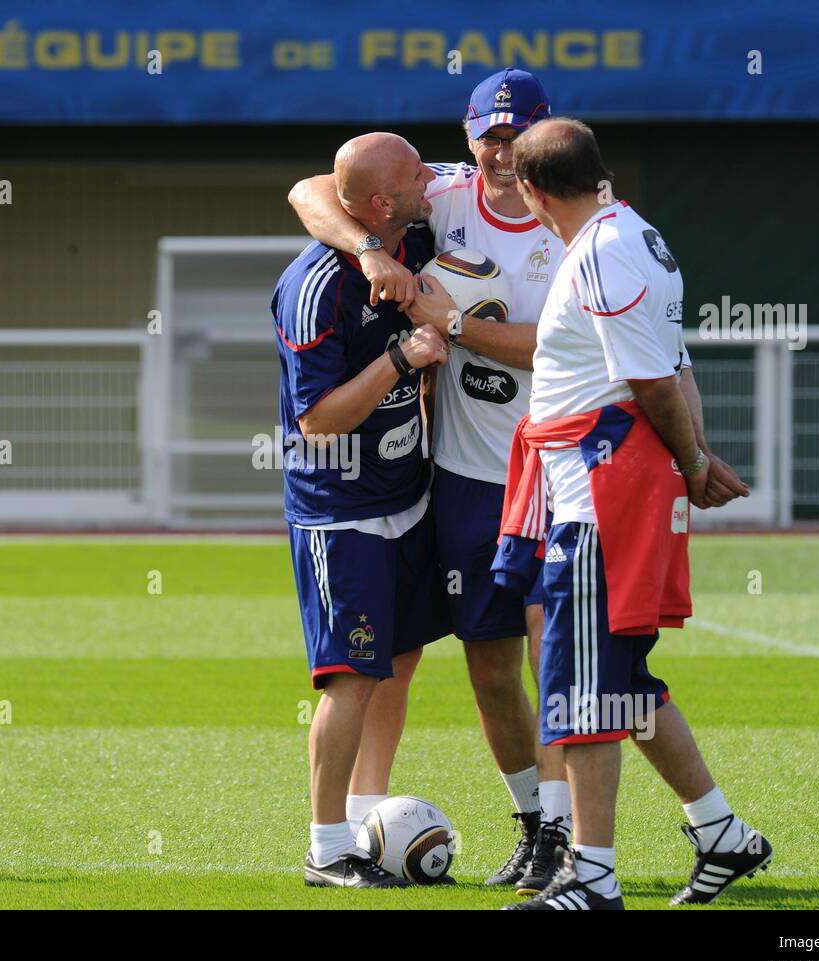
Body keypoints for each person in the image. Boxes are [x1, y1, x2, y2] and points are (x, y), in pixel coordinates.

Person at [288, 69, 570, 891]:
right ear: (470, 133)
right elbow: (314, 189)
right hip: (461, 479)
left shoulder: (589, 223)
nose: (503, 150)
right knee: (487, 668)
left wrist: (450, 327)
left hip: (555, 467)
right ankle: (531, 823)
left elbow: (558, 351)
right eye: (491, 133)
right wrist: (370, 247)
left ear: (548, 134)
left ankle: (570, 833)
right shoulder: (440, 194)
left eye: (519, 134)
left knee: (558, 662)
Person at [495, 117, 772, 910]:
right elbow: (673, 364)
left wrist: (691, 465)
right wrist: (696, 457)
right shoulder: (633, 235)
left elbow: (652, 382)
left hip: (600, 495)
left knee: (585, 695)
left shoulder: (605, 251)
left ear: (534, 190)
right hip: (594, 487)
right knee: (620, 683)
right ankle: (721, 834)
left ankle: (593, 884)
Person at [272, 132, 453, 887]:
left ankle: (367, 816)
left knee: (397, 662)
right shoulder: (316, 287)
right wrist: (403, 359)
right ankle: (326, 848)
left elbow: (314, 186)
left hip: (408, 495)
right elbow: (317, 423)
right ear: (382, 202)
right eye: (417, 176)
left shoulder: (409, 232)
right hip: (341, 511)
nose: (432, 183)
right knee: (349, 675)